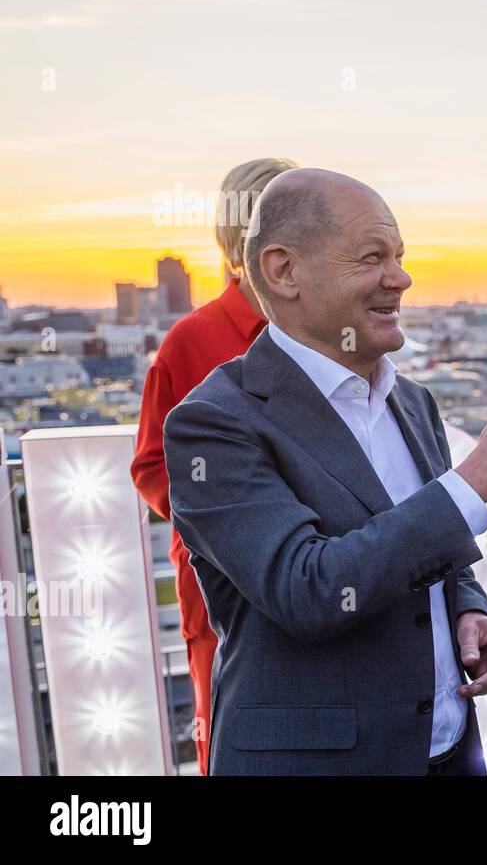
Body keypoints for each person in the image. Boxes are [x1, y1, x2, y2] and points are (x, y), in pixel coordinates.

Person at [163, 168, 487, 774]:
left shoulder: (413, 401)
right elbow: (307, 591)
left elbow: (434, 554)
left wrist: (467, 609)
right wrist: (471, 484)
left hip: (450, 753)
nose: (401, 279)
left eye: (399, 257)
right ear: (283, 270)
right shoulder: (214, 425)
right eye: (372, 257)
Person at [131, 156, 296, 774]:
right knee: (229, 731)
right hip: (221, 580)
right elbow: (151, 465)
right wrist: (232, 518)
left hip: (322, 570)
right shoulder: (190, 341)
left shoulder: (327, 333)